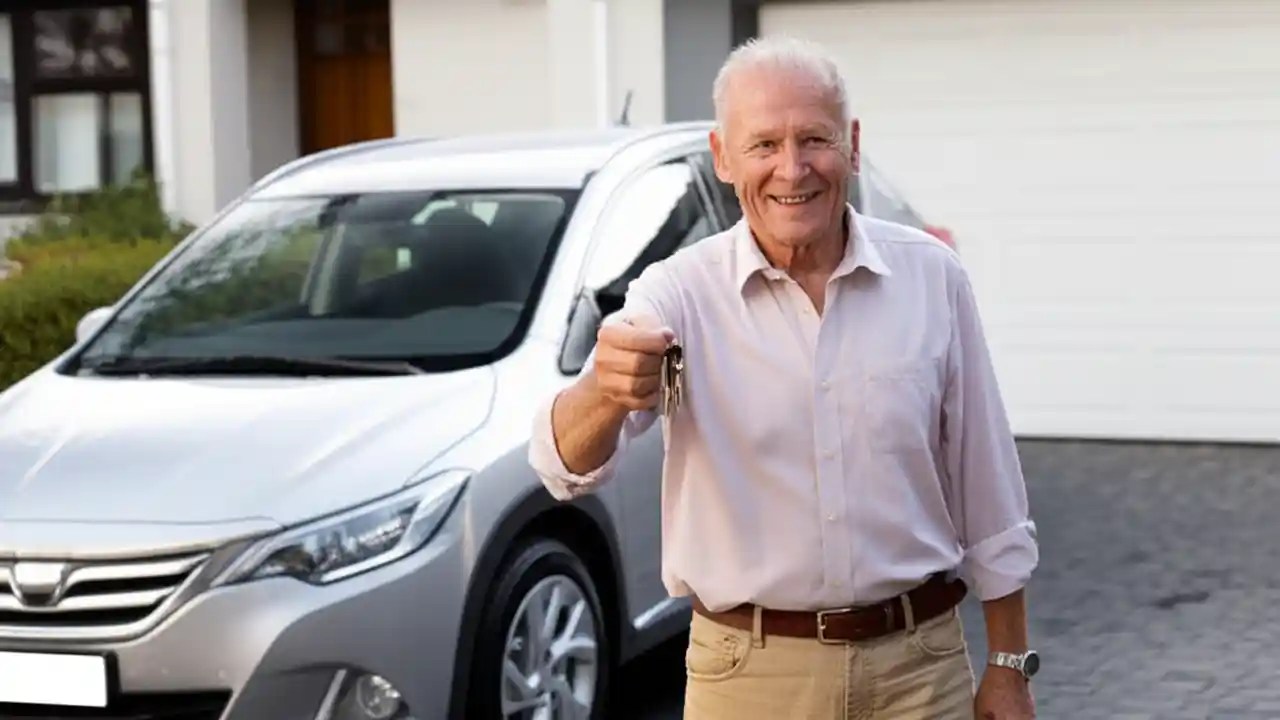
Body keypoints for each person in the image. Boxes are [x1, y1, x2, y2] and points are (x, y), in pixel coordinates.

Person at [528, 36, 1039, 720]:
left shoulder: (932, 278)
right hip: (749, 680)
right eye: (764, 144)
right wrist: (603, 390)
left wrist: (1009, 664)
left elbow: (988, 484)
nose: (792, 169)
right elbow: (562, 468)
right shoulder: (676, 294)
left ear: (852, 145)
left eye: (815, 139)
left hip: (921, 672)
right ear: (723, 157)